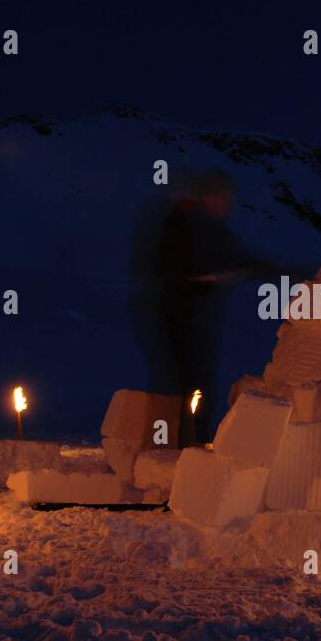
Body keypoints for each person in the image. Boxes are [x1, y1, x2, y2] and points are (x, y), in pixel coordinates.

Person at [132, 171, 279, 445]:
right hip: (172, 319)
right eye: (223, 198)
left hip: (193, 321)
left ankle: (186, 445)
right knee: (181, 386)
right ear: (209, 197)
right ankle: (175, 448)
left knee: (194, 385)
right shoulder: (184, 223)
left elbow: (242, 261)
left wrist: (286, 273)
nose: (227, 204)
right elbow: (165, 267)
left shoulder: (211, 229)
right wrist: (200, 277)